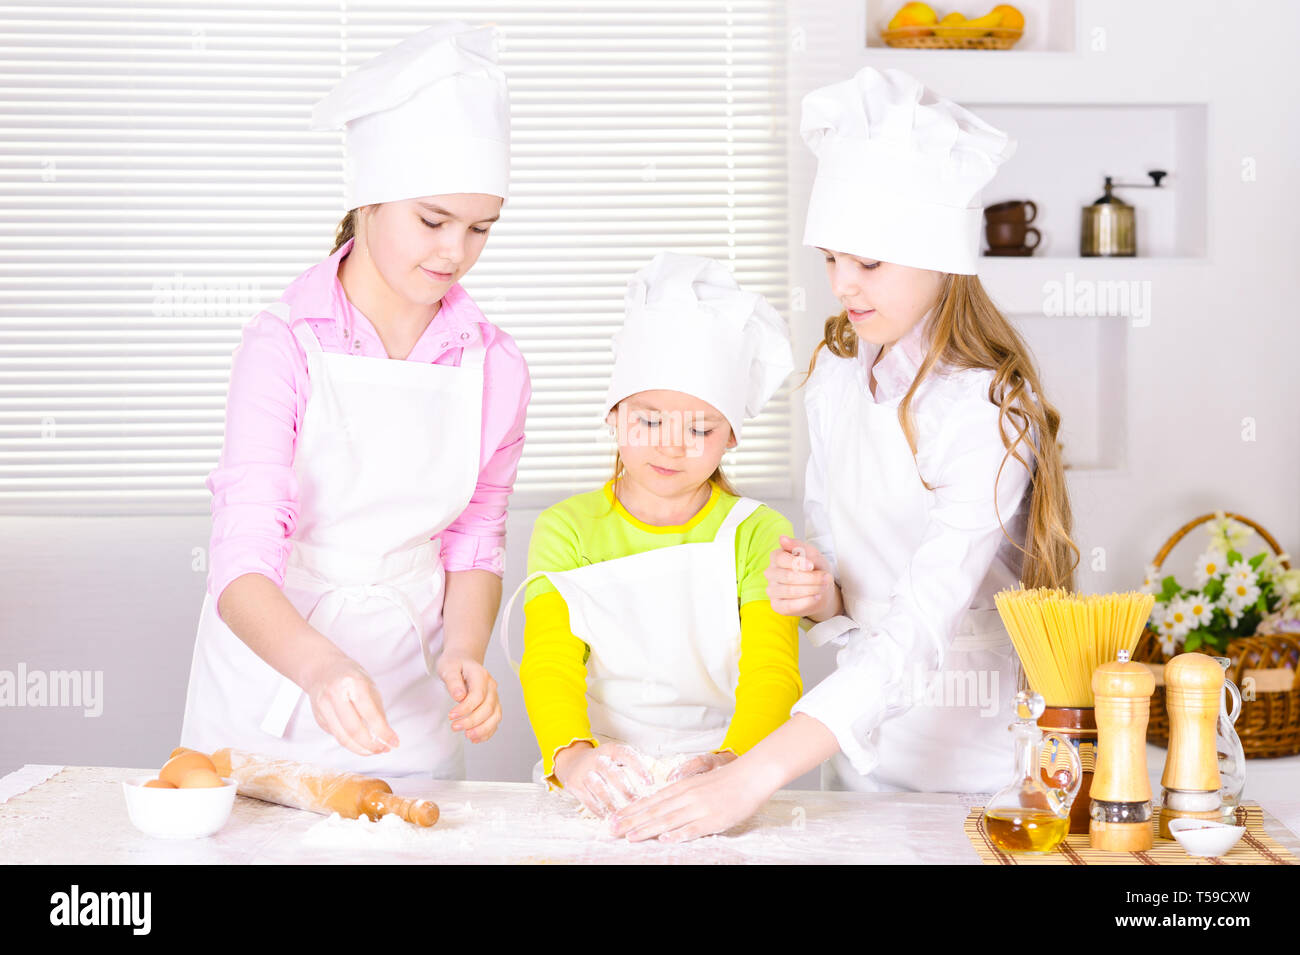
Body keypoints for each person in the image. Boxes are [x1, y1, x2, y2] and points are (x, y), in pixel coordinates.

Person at [613, 67, 1079, 841]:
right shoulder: (836, 373)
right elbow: (838, 558)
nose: (842, 286)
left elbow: (919, 623)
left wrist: (755, 770)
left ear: (941, 257)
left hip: (976, 764)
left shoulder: (992, 415)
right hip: (856, 755)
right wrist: (819, 589)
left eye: (868, 263)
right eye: (831, 259)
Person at [180, 22, 530, 779]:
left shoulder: (495, 364)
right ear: (368, 200)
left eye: (480, 229)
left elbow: (476, 537)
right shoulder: (284, 345)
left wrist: (465, 649)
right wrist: (317, 665)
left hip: (406, 691)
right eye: (432, 220)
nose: (454, 252)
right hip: (270, 678)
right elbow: (241, 559)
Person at [498, 252, 802, 817]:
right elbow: (550, 660)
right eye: (649, 419)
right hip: (601, 772)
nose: (672, 444)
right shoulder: (566, 528)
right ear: (613, 416)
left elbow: (772, 668)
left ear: (731, 435)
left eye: (700, 427)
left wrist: (735, 765)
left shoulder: (759, 531)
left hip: (733, 768)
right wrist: (574, 758)